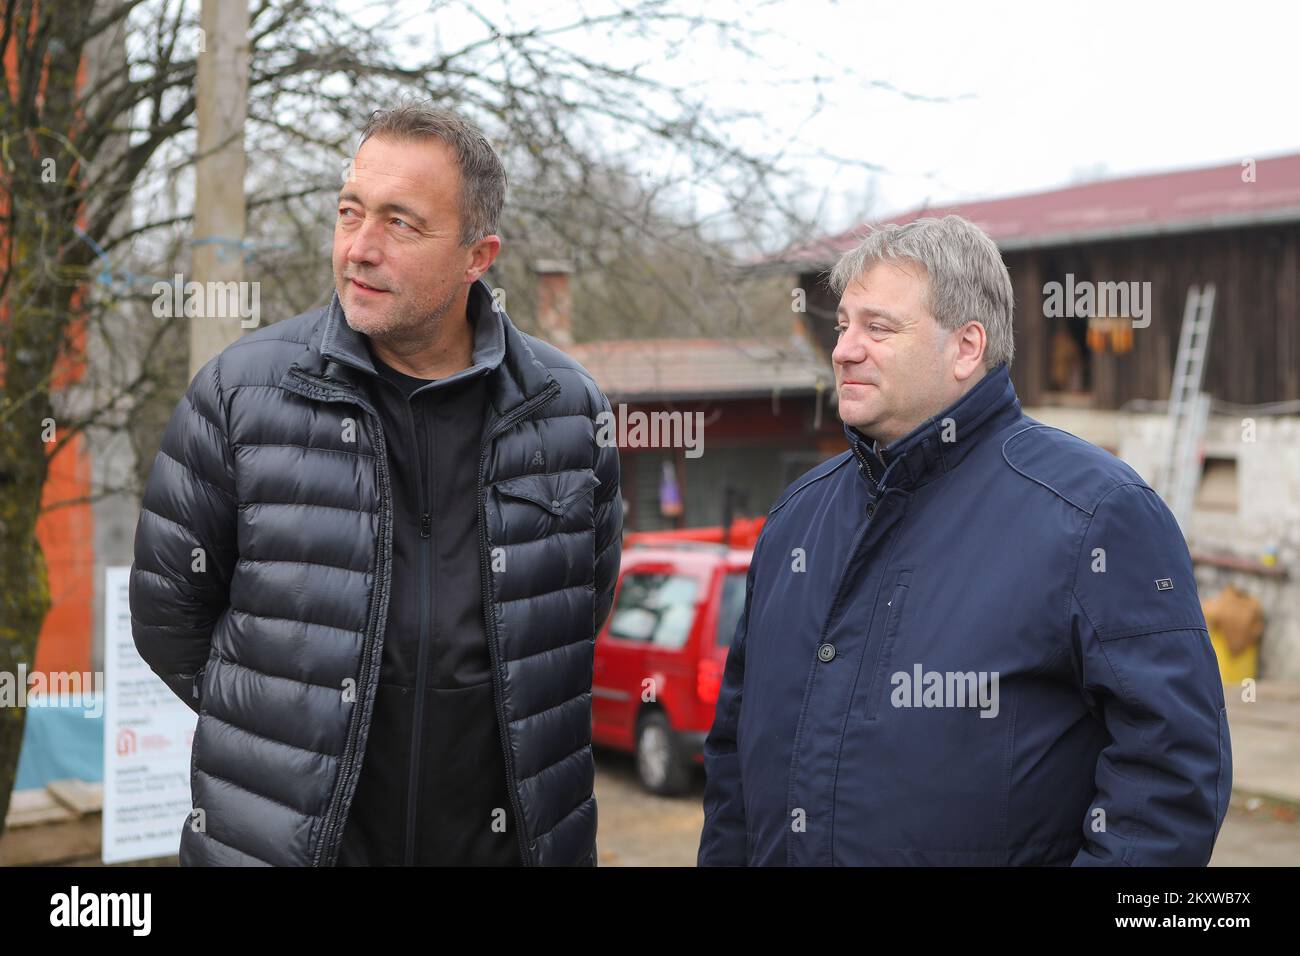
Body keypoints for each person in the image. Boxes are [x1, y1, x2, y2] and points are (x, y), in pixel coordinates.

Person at [130, 103, 622, 866]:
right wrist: (284, 733)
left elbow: (576, 608)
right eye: (349, 212)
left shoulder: (567, 410)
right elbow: (170, 621)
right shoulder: (239, 395)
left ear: (477, 254)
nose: (359, 248)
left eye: (400, 223)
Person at [698, 215, 1230, 866]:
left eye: (879, 327)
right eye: (843, 326)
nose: (844, 349)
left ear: (966, 347)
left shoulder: (1096, 515)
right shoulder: (797, 518)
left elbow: (1172, 777)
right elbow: (732, 759)